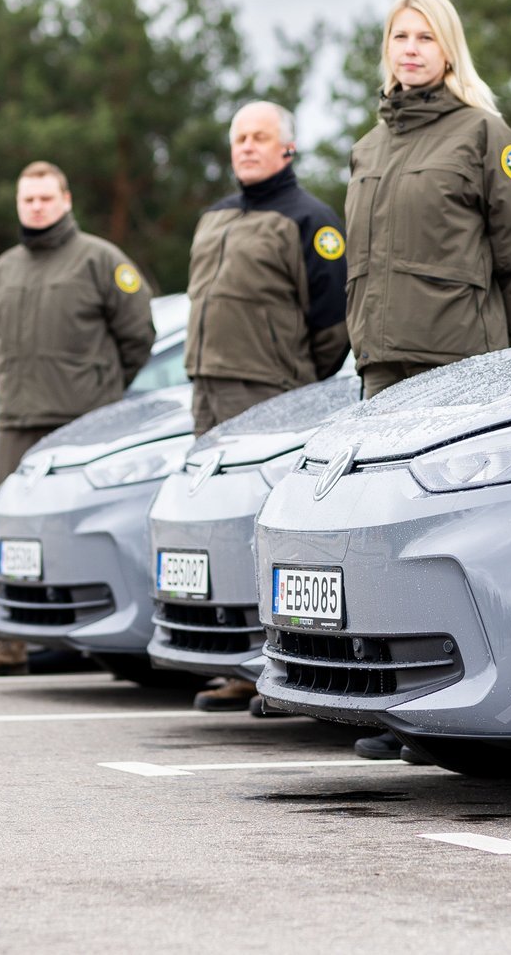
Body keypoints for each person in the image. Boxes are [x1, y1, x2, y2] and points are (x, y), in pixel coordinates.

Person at [342, 0, 511, 760]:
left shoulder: (485, 135)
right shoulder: (369, 147)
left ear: (449, 50)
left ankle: (444, 712)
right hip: (381, 371)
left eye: (425, 37)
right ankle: (392, 707)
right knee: (377, 541)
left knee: (441, 543)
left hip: (456, 366)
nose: (410, 48)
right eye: (400, 35)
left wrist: (498, 348)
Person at [0, 160, 157, 677]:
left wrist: (99, 389)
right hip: (17, 419)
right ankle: (9, 642)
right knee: (10, 529)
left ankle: (88, 639)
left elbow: (139, 336)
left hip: (81, 424)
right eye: (28, 199)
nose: (37, 206)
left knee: (78, 530)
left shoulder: (100, 259)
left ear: (65, 200)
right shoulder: (3, 268)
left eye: (46, 197)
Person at [182, 100, 349, 712]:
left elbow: (333, 325)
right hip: (208, 396)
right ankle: (236, 664)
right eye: (240, 138)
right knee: (223, 533)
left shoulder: (311, 220)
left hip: (270, 398)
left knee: (268, 535)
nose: (247, 147)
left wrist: (295, 379)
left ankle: (283, 668)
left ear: (288, 149)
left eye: (261, 137)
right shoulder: (214, 218)